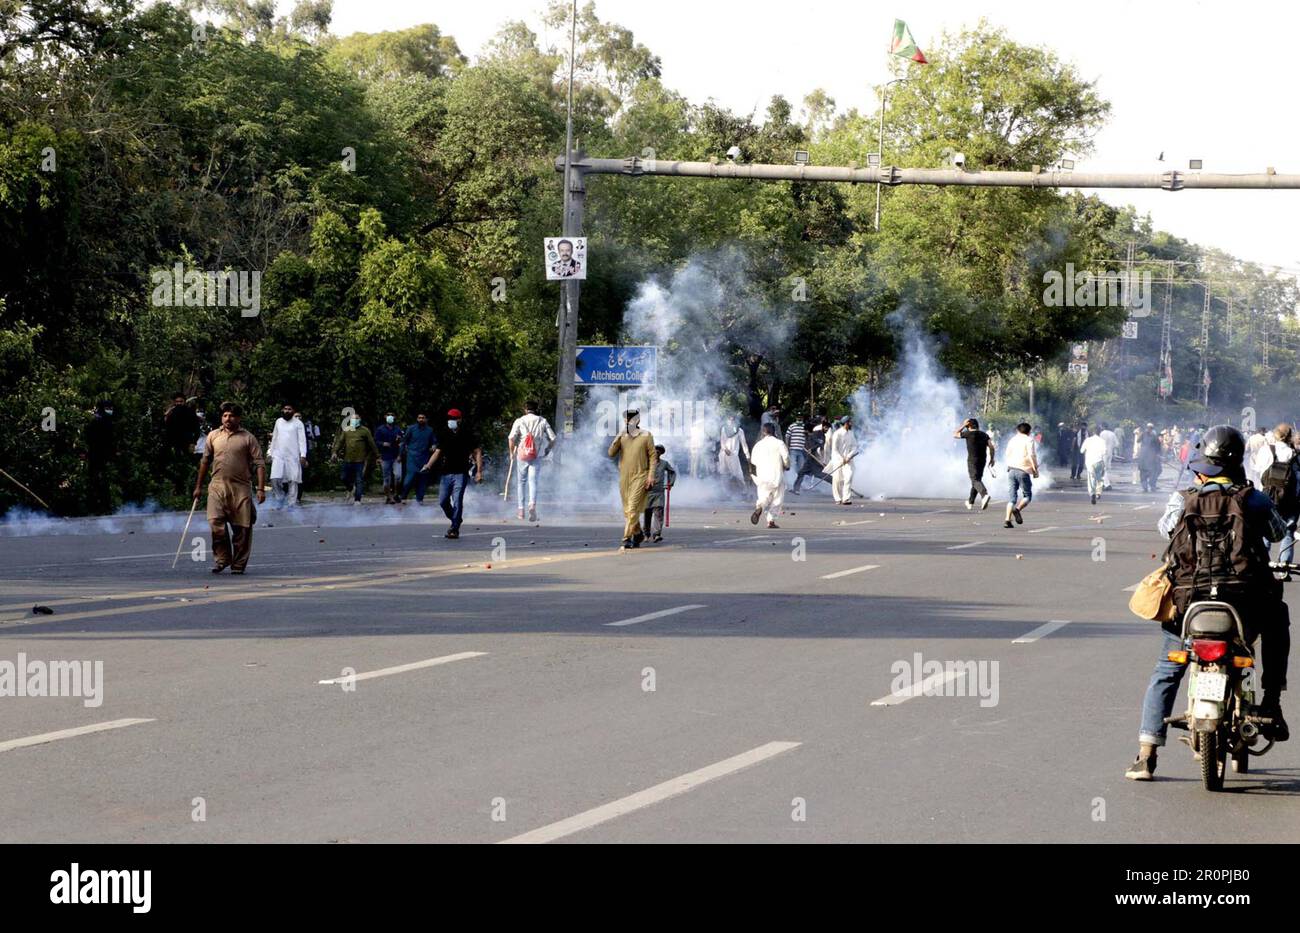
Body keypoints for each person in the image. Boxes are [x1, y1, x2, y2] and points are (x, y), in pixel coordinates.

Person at [1125, 425, 1291, 780]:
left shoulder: (1183, 498)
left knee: (1166, 671)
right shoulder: (1255, 499)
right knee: (1279, 618)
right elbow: (1279, 532)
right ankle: (1272, 702)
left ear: (1203, 466)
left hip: (1191, 603)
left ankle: (1146, 752)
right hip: (1245, 604)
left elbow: (1166, 529)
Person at [192, 401, 265, 575]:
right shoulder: (213, 436)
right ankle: (222, 559)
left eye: (231, 415)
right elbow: (205, 462)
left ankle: (238, 564)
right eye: (225, 415)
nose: (228, 418)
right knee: (215, 522)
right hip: (217, 486)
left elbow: (260, 464)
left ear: (238, 418)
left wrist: (261, 489)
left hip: (241, 488)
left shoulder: (248, 438)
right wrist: (198, 487)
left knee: (242, 528)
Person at [423, 408, 481, 539]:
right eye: (449, 418)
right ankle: (456, 519)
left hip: (461, 473)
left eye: (454, 419)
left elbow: (477, 452)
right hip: (446, 473)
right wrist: (428, 465)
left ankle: (454, 528)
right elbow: (437, 452)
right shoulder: (444, 434)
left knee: (457, 500)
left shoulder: (467, 434)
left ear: (459, 420)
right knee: (443, 501)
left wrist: (479, 471)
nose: (451, 421)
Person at [607, 408, 658, 549]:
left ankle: (626, 537)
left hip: (640, 476)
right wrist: (618, 436)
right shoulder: (622, 436)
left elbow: (653, 457)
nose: (629, 421)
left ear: (638, 420)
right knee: (628, 510)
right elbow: (611, 453)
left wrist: (651, 475)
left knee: (632, 507)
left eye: (632, 419)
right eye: (626, 419)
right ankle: (638, 533)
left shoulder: (646, 435)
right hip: (624, 477)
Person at [1255, 423, 1300, 567]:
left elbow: (1258, 472)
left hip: (1267, 496)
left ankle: (1263, 563)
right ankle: (1284, 565)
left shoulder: (1265, 450)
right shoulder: (1293, 453)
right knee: (1288, 530)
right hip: (1289, 497)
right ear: (1289, 436)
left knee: (1265, 528)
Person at [507, 400, 556, 522]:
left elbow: (511, 438)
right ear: (536, 409)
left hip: (522, 455)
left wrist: (511, 452)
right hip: (536, 455)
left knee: (521, 482)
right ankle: (532, 505)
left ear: (525, 409)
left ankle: (520, 511)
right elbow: (553, 438)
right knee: (533, 481)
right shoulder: (542, 421)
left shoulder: (520, 421)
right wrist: (547, 449)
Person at [331, 413, 380, 504]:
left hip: (359, 460)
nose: (354, 420)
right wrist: (335, 452)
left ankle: (357, 500)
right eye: (353, 419)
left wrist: (378, 456)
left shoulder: (365, 431)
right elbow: (340, 442)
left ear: (359, 419)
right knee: (343, 477)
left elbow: (372, 444)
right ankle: (350, 488)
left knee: (359, 480)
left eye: (356, 418)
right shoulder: (346, 430)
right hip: (347, 459)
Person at [749, 423, 790, 528]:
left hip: (762, 476)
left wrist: (756, 475)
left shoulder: (758, 445)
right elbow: (786, 457)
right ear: (774, 432)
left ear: (763, 432)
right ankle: (771, 520)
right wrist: (786, 466)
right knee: (777, 498)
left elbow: (753, 463)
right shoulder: (779, 443)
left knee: (764, 496)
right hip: (776, 475)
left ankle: (760, 507)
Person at [268, 403, 307, 509]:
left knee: (293, 480)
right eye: (285, 409)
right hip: (278, 455)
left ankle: (291, 503)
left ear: (293, 411)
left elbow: (302, 440)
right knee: (275, 478)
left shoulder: (298, 423)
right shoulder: (278, 422)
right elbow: (275, 438)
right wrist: (270, 453)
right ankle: (280, 499)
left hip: (293, 456)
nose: (286, 411)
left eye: (289, 409)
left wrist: (303, 455)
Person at [1002, 422, 1038, 529]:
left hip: (1011, 469)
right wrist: (1035, 469)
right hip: (1023, 470)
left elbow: (1007, 453)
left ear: (1018, 430)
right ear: (1029, 431)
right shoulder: (1029, 440)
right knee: (1027, 496)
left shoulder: (1012, 439)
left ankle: (1007, 520)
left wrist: (1009, 464)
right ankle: (1017, 510)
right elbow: (1031, 455)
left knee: (1012, 498)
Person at [954, 417, 995, 511]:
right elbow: (991, 447)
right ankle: (970, 501)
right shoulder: (984, 435)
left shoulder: (968, 433)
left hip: (973, 460)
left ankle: (984, 495)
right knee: (977, 480)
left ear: (969, 425)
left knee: (975, 480)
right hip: (982, 460)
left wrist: (963, 425)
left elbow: (955, 434)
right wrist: (992, 459)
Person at [84, 400, 117, 514]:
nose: (110, 410)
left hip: (95, 455)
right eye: (108, 408)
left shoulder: (96, 421)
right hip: (99, 456)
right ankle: (103, 507)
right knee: (101, 481)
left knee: (96, 481)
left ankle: (97, 507)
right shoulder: (105, 422)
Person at [398, 413, 436, 504]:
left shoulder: (430, 430)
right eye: (419, 418)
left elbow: (434, 442)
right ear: (417, 419)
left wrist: (434, 446)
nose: (421, 419)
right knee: (409, 479)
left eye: (423, 418)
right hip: (412, 457)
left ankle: (420, 499)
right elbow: (404, 441)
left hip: (424, 457)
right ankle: (403, 496)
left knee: (422, 479)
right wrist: (400, 455)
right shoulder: (411, 428)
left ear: (426, 419)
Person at [642, 444, 675, 543]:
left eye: (659, 451)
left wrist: (670, 483)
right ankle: (646, 534)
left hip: (659, 492)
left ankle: (657, 534)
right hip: (647, 492)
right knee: (647, 514)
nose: (657, 452)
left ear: (661, 453)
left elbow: (672, 472)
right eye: (655, 450)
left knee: (658, 513)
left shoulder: (664, 463)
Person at [792, 417, 831, 493]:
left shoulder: (822, 436)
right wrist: (810, 449)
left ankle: (836, 483)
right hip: (810, 459)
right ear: (822, 426)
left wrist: (822, 460)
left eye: (828, 428)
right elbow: (811, 446)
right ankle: (796, 489)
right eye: (826, 427)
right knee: (802, 473)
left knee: (820, 475)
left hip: (813, 459)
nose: (827, 429)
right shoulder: (815, 434)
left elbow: (821, 449)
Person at [374, 412, 404, 504]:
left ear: (394, 417)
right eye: (388, 415)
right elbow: (375, 442)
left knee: (398, 476)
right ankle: (388, 497)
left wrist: (400, 455)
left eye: (392, 415)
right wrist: (383, 444)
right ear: (385, 417)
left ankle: (396, 494)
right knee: (386, 479)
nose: (390, 416)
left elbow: (402, 443)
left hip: (396, 457)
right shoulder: (380, 429)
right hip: (385, 457)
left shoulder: (397, 429)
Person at [827, 416, 858, 505]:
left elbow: (855, 446)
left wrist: (848, 456)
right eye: (850, 422)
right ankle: (837, 498)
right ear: (846, 423)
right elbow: (834, 449)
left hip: (848, 460)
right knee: (837, 480)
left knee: (849, 477)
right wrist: (841, 459)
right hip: (837, 460)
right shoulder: (837, 434)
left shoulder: (851, 433)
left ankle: (846, 498)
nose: (851, 423)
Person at [717, 415, 750, 491]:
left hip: (733, 455)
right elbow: (722, 441)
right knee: (723, 474)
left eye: (732, 419)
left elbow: (743, 443)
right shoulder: (724, 429)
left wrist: (747, 455)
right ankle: (725, 492)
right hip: (723, 454)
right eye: (729, 419)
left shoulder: (740, 431)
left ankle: (744, 491)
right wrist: (725, 449)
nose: (731, 421)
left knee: (738, 474)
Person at [1081, 425, 1108, 505]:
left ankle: (1092, 493)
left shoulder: (1087, 440)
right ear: (1099, 432)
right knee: (1099, 479)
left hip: (1090, 462)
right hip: (1099, 461)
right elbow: (1104, 452)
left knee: (1091, 479)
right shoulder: (1102, 441)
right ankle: (1098, 493)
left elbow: (1082, 451)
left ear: (1092, 432)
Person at [784, 417, 807, 491]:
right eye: (798, 417)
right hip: (793, 449)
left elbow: (807, 437)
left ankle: (798, 484)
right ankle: (791, 483)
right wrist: (787, 446)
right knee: (792, 467)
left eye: (800, 417)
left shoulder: (804, 426)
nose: (799, 419)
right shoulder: (792, 426)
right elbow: (787, 436)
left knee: (801, 468)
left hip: (802, 450)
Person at [1138, 425, 1163, 492]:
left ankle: (1146, 486)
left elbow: (1138, 440)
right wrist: (1159, 454)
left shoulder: (1144, 435)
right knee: (1153, 472)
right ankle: (1151, 485)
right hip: (1150, 458)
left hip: (1144, 458)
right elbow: (1158, 448)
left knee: (1144, 473)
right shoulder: (1154, 436)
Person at [1099, 423, 1119, 490]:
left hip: (1103, 453)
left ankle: (1107, 484)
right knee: (1106, 469)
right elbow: (1117, 444)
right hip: (1110, 453)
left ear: (1103, 427)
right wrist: (1111, 447)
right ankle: (1105, 484)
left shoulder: (1102, 433)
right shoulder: (1112, 433)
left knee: (1103, 469)